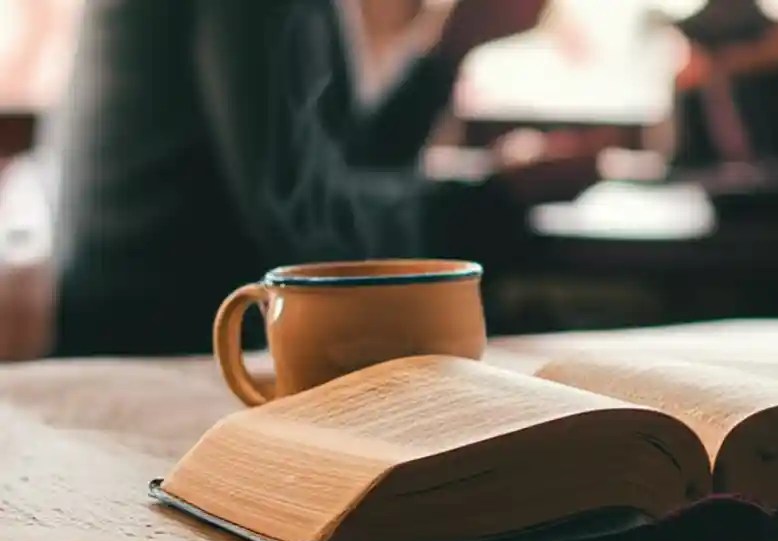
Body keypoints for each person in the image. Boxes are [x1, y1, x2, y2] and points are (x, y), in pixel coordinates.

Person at [43, 0, 602, 357]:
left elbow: (334, 169)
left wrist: (451, 47)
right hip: (180, 342)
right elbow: (304, 224)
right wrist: (494, 197)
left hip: (162, 324)